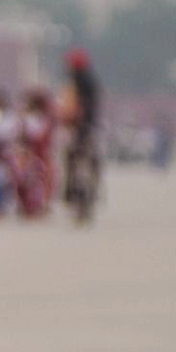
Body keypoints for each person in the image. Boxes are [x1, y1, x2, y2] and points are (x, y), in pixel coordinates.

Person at [59, 48, 102, 225]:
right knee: (90, 162)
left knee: (72, 159)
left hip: (80, 129)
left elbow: (71, 109)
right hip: (88, 128)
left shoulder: (77, 84)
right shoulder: (90, 82)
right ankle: (91, 193)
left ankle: (71, 194)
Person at [15, 88, 57, 218]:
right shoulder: (25, 119)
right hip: (28, 154)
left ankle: (42, 203)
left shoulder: (46, 119)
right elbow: (21, 137)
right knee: (21, 175)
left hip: (42, 156)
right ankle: (25, 204)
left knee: (46, 176)